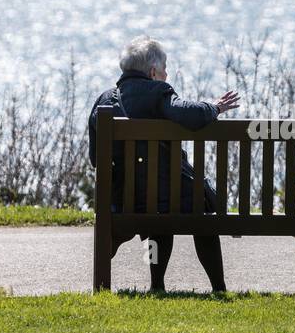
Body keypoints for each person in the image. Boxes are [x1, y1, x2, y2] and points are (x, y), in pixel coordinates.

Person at [88, 37, 240, 292]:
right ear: (153, 71)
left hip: (121, 201)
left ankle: (156, 284)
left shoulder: (103, 101)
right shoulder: (159, 93)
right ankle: (218, 286)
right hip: (170, 199)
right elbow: (189, 114)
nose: (167, 73)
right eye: (165, 68)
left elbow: (95, 159)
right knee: (197, 209)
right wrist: (213, 107)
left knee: (156, 214)